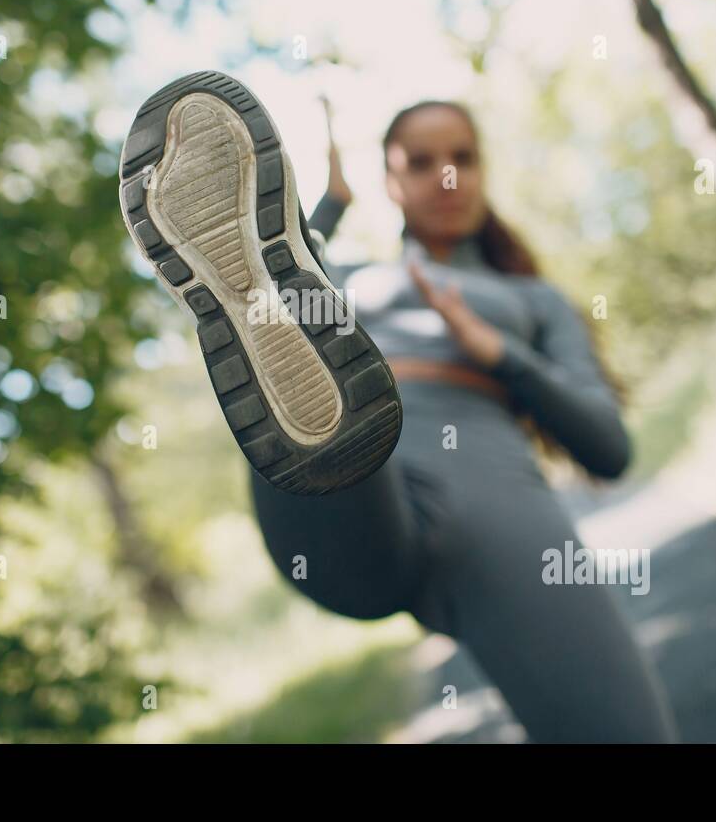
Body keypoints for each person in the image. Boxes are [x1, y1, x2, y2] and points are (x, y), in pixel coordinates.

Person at [119, 71, 679, 742]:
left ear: (483, 169)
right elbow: (293, 250)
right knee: (308, 316)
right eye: (420, 162)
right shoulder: (352, 281)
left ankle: (288, 326)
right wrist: (330, 204)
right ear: (390, 183)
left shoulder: (531, 299)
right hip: (348, 507)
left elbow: (609, 448)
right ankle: (270, 318)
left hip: (488, 505)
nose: (447, 177)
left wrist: (497, 352)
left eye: (462, 158)